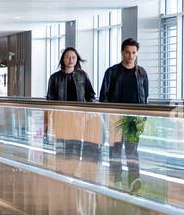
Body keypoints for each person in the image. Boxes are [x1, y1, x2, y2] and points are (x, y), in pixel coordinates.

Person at [99, 38, 150, 184]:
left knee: (132, 152)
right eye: (127, 52)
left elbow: (144, 98)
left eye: (134, 52)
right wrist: (109, 116)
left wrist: (143, 119)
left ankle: (134, 183)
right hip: (115, 119)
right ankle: (116, 182)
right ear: (122, 52)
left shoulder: (142, 73)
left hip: (134, 120)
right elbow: (104, 97)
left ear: (137, 53)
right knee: (115, 152)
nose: (131, 56)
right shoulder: (112, 72)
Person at [45, 47, 96, 158]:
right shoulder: (54, 78)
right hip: (61, 118)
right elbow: (50, 100)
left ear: (77, 59)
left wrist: (88, 112)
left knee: (76, 146)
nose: (71, 60)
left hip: (78, 118)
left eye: (73, 57)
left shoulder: (82, 75)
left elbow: (91, 94)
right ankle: (60, 171)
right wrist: (48, 121)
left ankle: (73, 171)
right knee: (61, 147)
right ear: (63, 59)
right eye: (68, 57)